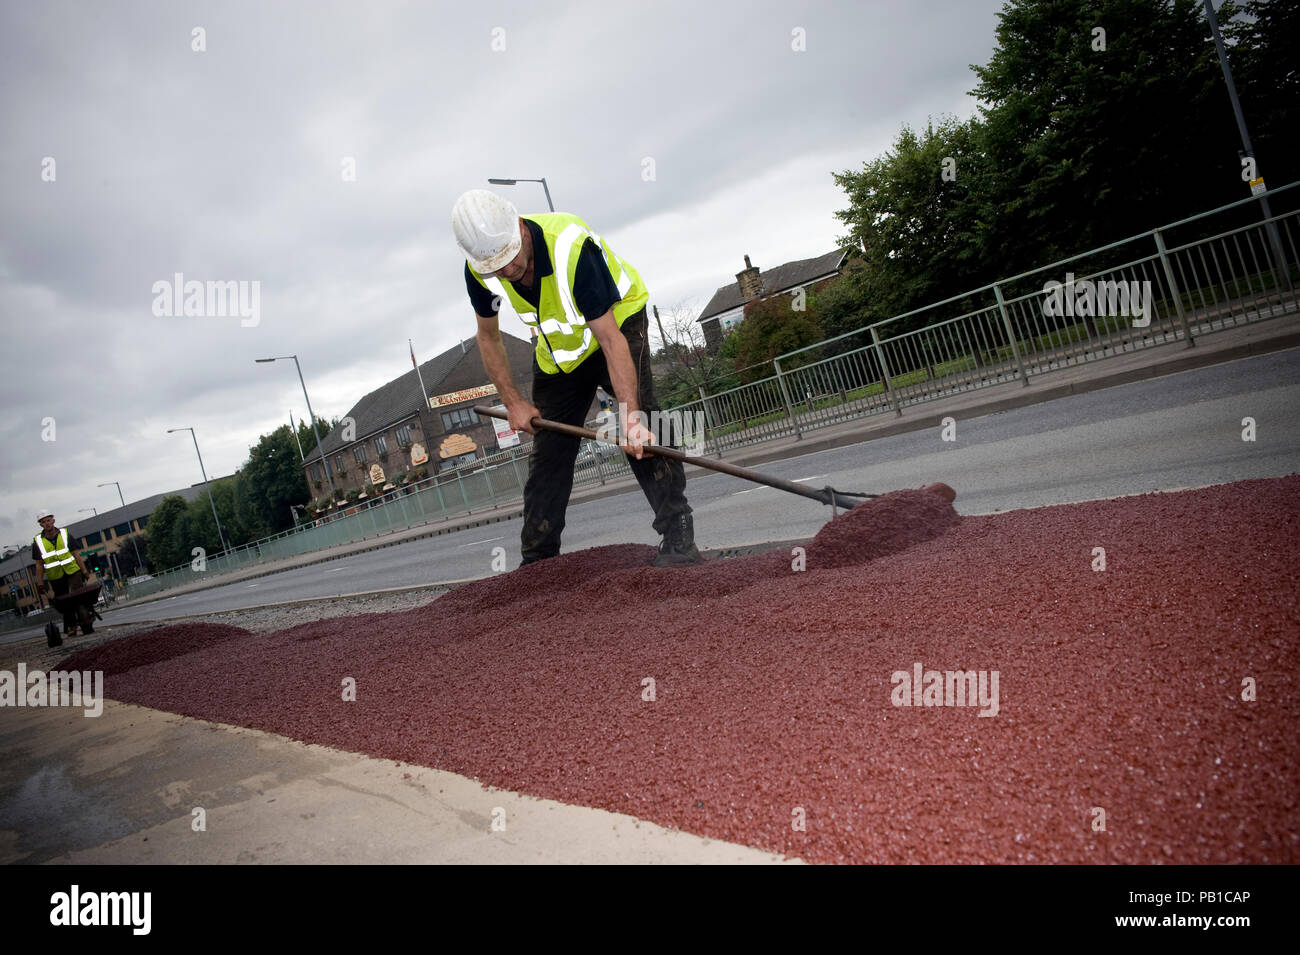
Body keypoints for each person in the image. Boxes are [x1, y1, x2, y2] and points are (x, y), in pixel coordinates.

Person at [451, 189, 702, 567]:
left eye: (509, 257)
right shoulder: (480, 269)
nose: (505, 271)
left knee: (643, 427)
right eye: (494, 266)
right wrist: (514, 402)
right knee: (550, 450)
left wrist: (630, 419)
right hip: (560, 352)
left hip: (616, 327)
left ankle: (679, 539)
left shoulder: (571, 247)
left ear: (520, 227)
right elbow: (488, 337)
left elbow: (609, 339)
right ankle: (538, 563)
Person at [32, 508, 95, 634]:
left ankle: (85, 619)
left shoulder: (65, 534)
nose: (47, 523)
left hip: (72, 571)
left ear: (53, 520)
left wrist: (84, 571)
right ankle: (72, 626)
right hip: (55, 576)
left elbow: (76, 554)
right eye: (43, 522)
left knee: (77, 595)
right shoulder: (38, 542)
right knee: (64, 601)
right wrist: (40, 583)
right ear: (40, 524)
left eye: (48, 520)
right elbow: (39, 565)